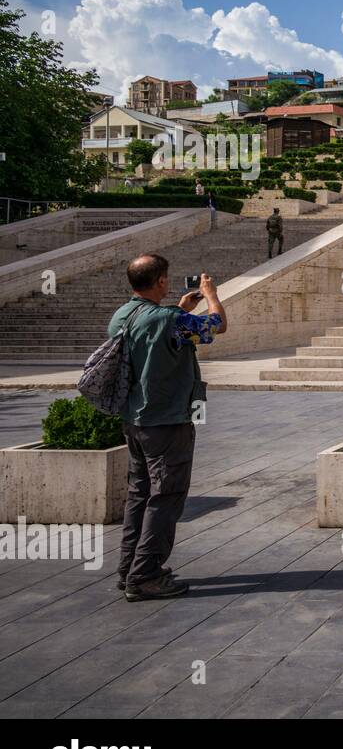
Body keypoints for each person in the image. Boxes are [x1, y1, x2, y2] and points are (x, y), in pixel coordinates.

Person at [109, 254, 228, 601]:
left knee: (139, 494)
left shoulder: (122, 315)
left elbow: (156, 337)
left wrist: (180, 307)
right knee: (166, 496)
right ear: (160, 280)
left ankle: (128, 567)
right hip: (167, 420)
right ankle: (145, 575)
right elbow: (218, 325)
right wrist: (210, 295)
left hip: (134, 419)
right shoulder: (171, 320)